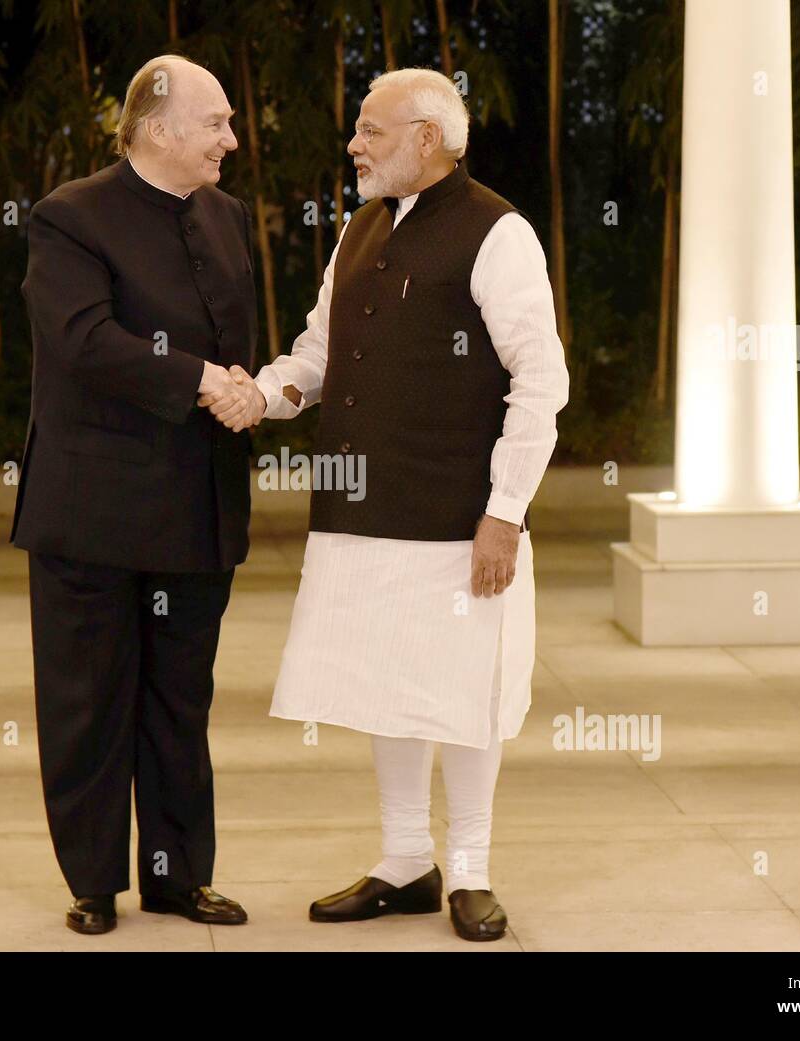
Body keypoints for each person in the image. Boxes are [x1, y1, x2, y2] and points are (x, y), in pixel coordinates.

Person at [202, 67, 569, 942]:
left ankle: (472, 870)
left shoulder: (499, 232)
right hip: (359, 509)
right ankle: (407, 859)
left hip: (457, 515)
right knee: (386, 685)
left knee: (465, 690)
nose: (355, 144)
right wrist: (271, 392)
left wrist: (505, 511)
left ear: (425, 139)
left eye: (370, 130)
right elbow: (322, 351)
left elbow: (542, 379)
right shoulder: (360, 230)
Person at [12, 54, 257, 935]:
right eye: (217, 122)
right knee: (88, 704)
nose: (232, 138)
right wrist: (201, 380)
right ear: (158, 129)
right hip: (94, 513)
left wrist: (245, 388)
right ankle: (92, 882)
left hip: (197, 508)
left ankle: (179, 877)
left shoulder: (228, 217)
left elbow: (240, 342)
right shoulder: (69, 217)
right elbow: (84, 341)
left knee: (180, 703)